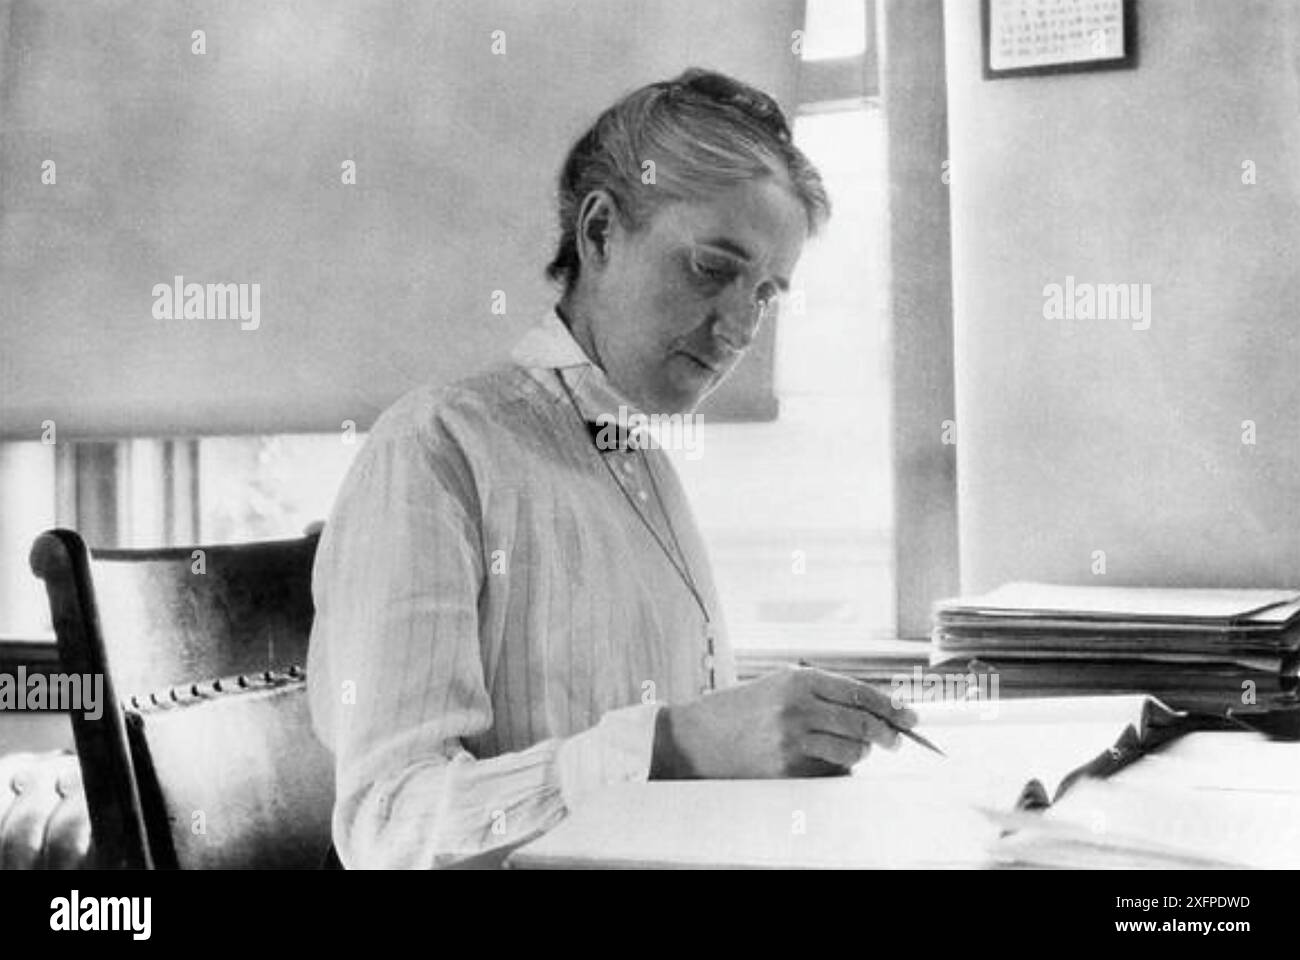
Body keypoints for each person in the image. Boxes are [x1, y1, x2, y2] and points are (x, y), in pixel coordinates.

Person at [307, 67, 918, 869]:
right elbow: (389, 827)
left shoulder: (642, 463)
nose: (740, 329)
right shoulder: (435, 448)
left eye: (766, 293)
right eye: (712, 268)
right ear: (599, 233)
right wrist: (672, 743)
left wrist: (769, 731)